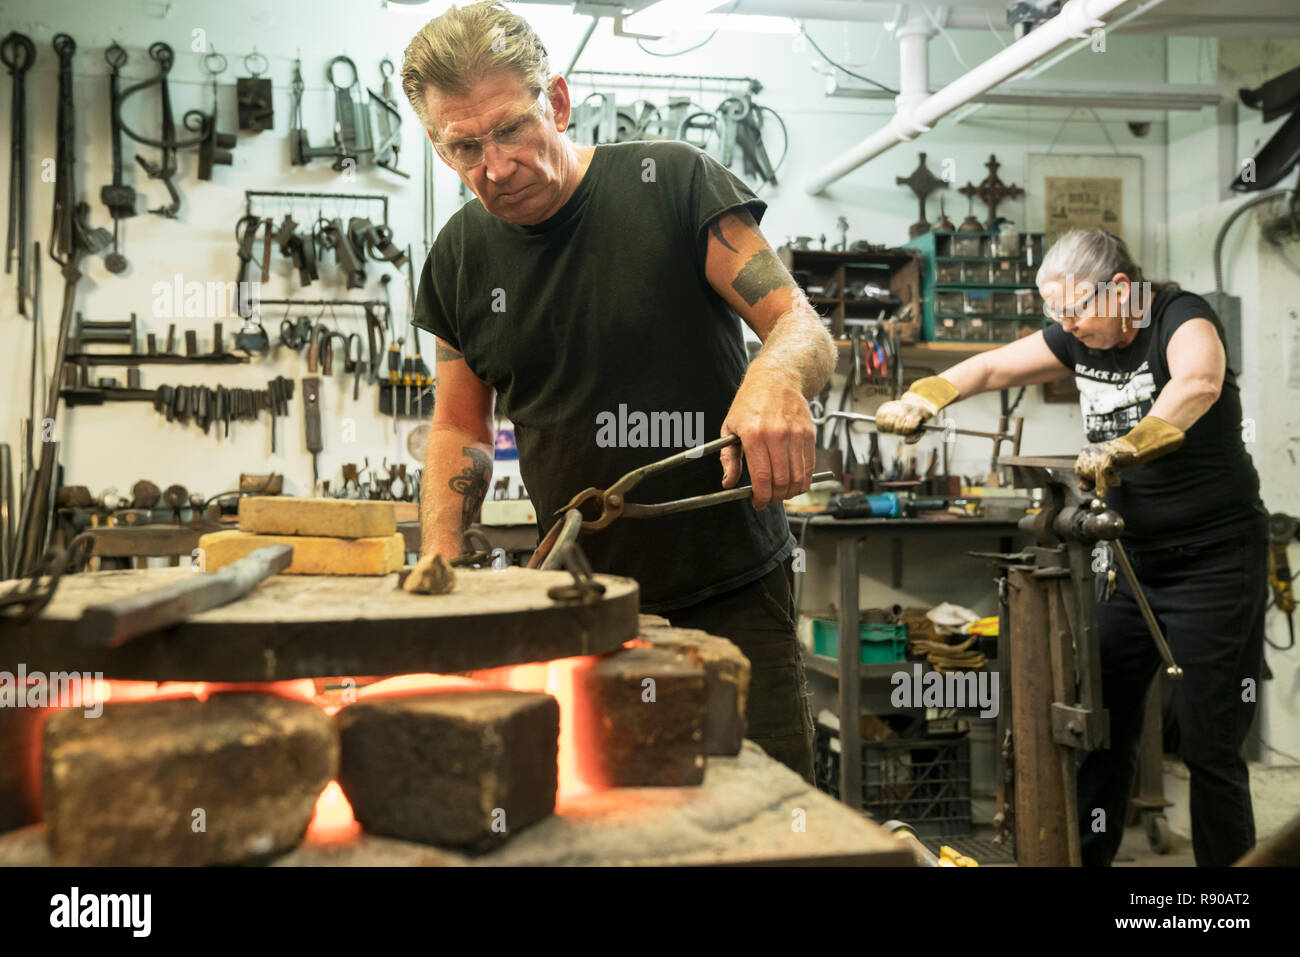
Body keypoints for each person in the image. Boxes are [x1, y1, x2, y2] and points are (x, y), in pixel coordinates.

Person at [400, 2, 836, 780]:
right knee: (609, 819)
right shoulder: (458, 258)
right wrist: (440, 560)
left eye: (510, 130)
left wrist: (775, 376)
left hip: (731, 592)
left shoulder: (673, 182)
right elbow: (458, 427)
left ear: (558, 103)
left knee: (768, 825)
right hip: (577, 599)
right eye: (463, 146)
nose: (493, 167)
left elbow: (799, 323)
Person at [875, 228, 1268, 866]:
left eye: (1075, 311)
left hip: (1216, 561)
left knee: (1210, 745)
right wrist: (927, 395)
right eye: (1055, 314)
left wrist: (1129, 446)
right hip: (1134, 562)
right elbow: (993, 365)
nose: (1066, 326)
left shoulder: (1179, 315)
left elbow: (1198, 382)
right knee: (1097, 729)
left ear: (1120, 290)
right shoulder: (1080, 330)